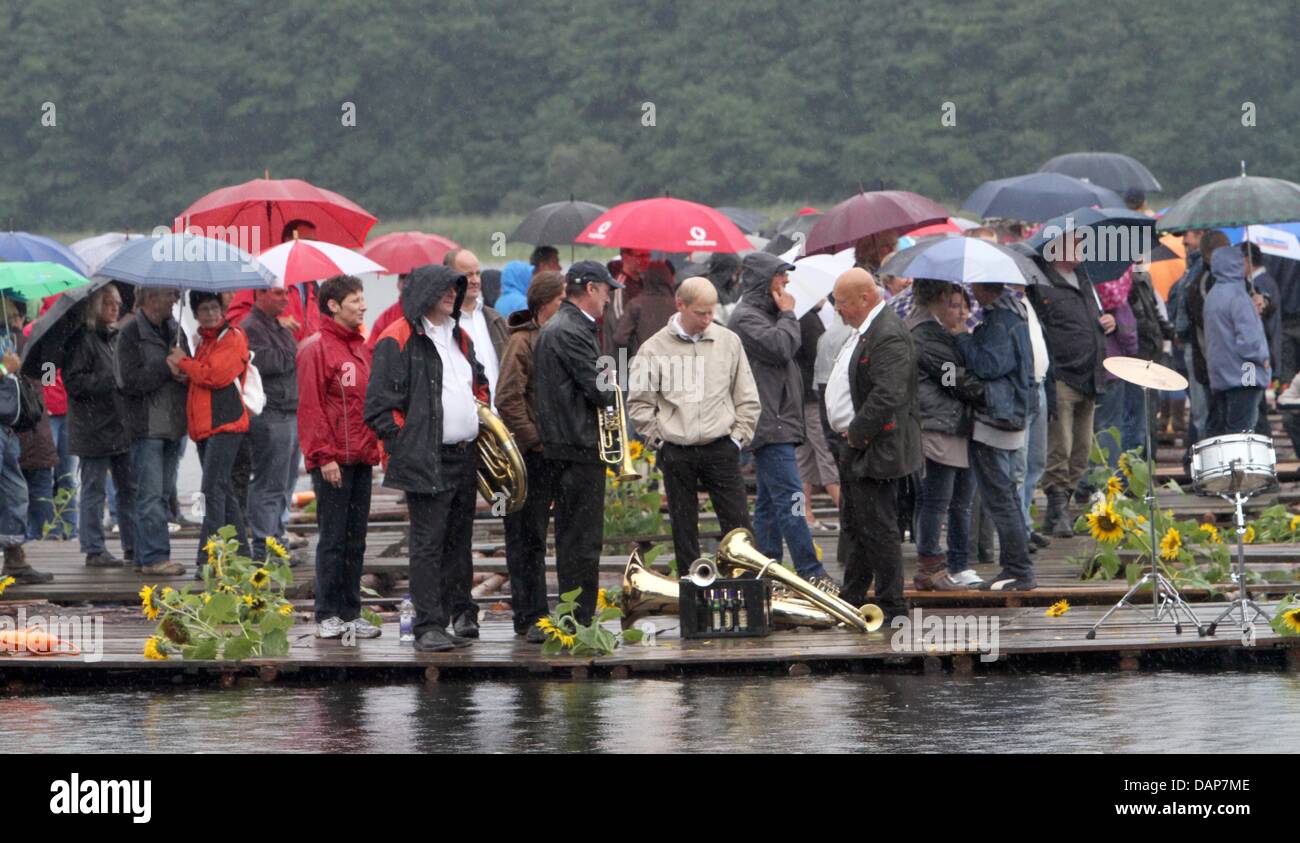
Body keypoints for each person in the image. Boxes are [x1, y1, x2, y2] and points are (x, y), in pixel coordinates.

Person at [366, 265, 487, 651]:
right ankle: (427, 625)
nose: (453, 294)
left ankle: (458, 615)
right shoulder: (396, 337)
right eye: (445, 288)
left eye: (456, 288)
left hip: (464, 454)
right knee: (427, 544)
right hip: (426, 456)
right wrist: (406, 441)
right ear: (424, 292)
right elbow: (379, 407)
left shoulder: (460, 336)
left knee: (458, 541)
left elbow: (479, 383)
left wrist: (479, 411)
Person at [627, 276, 760, 569]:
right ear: (680, 305)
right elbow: (639, 403)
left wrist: (738, 439)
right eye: (701, 312)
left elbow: (747, 396)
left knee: (739, 527)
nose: (708, 319)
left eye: (712, 311)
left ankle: (745, 585)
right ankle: (693, 592)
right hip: (677, 448)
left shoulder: (728, 341)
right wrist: (658, 441)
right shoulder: (653, 348)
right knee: (683, 529)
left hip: (721, 445)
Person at [826, 268, 920, 623]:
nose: (839, 311)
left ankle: (893, 605)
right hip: (860, 445)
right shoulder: (866, 330)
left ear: (865, 298)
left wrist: (856, 433)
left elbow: (888, 394)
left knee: (879, 527)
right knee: (857, 523)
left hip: (875, 447)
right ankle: (852, 595)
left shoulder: (887, 334)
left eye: (843, 304)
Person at [729, 252, 827, 581]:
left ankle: (766, 569)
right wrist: (788, 314)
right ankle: (811, 572)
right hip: (770, 422)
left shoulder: (766, 313)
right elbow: (780, 347)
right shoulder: (746, 317)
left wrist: (785, 314)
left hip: (779, 420)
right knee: (793, 499)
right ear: (763, 280)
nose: (786, 281)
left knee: (770, 505)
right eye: (780, 274)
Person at [533, 260, 622, 624]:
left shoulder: (568, 325)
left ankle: (574, 616)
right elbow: (602, 391)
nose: (609, 298)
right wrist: (610, 375)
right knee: (582, 543)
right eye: (606, 290)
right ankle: (578, 621)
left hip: (570, 445)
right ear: (590, 289)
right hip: (577, 447)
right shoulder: (571, 328)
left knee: (575, 540)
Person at [299, 275, 382, 640]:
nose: (363, 305)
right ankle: (326, 613)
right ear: (333, 305)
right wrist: (323, 456)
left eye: (363, 298)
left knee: (356, 538)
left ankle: (351, 612)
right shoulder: (315, 348)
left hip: (361, 456)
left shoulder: (361, 348)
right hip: (333, 460)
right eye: (355, 300)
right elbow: (311, 408)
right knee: (332, 538)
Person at [496, 271, 566, 642]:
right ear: (544, 304)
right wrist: (536, 440)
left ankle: (541, 612)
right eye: (560, 301)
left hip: (551, 453)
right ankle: (529, 616)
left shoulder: (557, 337)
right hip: (527, 458)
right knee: (525, 539)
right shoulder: (521, 342)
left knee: (538, 538)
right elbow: (507, 398)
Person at [957, 281, 1038, 591]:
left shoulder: (999, 321)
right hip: (1014, 412)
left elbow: (989, 365)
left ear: (984, 287)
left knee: (999, 497)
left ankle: (1018, 569)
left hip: (995, 417)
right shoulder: (1015, 314)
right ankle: (1016, 567)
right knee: (1007, 494)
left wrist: (963, 337)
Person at [1029, 234, 1110, 537]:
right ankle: (1056, 506)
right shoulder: (1041, 281)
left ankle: (1062, 507)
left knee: (1082, 448)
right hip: (1062, 373)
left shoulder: (1083, 277)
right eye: (1075, 244)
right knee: (1059, 445)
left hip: (1091, 375)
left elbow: (1092, 318)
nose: (1082, 250)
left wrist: (1107, 322)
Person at [908, 280, 985, 590]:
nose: (961, 312)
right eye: (954, 305)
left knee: (957, 500)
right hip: (939, 424)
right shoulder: (926, 336)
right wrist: (985, 390)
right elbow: (953, 378)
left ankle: (957, 562)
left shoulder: (933, 333)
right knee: (939, 501)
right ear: (939, 299)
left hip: (951, 423)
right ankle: (932, 563)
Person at [169, 291, 251, 575]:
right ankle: (242, 550)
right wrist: (184, 367)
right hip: (207, 428)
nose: (212, 314)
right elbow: (200, 375)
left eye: (215, 308)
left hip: (226, 425)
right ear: (195, 313)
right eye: (204, 309)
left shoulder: (233, 337)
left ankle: (212, 557)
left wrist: (183, 362)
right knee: (223, 490)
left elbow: (215, 376)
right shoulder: (204, 341)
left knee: (211, 491)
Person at [115, 287, 189, 576]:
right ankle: (154, 558)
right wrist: (165, 367)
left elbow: (186, 366)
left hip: (173, 425)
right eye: (169, 294)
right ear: (150, 297)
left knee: (162, 494)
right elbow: (127, 381)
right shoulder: (129, 333)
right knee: (149, 495)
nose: (174, 299)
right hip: (145, 427)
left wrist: (185, 369)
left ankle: (144, 555)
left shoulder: (175, 328)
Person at [64, 283, 136, 566]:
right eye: (108, 302)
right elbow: (73, 382)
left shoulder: (117, 337)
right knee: (94, 489)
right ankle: (94, 548)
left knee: (130, 488)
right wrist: (110, 381)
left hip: (120, 425)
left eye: (117, 302)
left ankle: (133, 544)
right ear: (96, 306)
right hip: (92, 427)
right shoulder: (82, 339)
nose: (115, 307)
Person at [240, 286, 300, 563]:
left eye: (287, 293)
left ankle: (276, 538)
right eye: (278, 293)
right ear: (260, 295)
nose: (285, 299)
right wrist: (295, 354)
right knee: (269, 482)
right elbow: (263, 362)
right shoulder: (250, 327)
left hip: (287, 410)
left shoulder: (277, 326)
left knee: (284, 481)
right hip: (270, 413)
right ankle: (264, 545)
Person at [1204, 247, 1271, 436]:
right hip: (1245, 374)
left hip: (1221, 374)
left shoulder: (1213, 295)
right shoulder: (1238, 297)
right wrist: (1263, 358)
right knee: (1242, 432)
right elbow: (1249, 342)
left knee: (1223, 431)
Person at [1, 346, 54, 584]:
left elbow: (50, 379)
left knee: (17, 493)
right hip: (19, 425)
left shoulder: (23, 344)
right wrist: (5, 368)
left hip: (12, 426)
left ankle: (15, 558)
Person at [224, 220, 323, 341]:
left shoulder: (311, 284)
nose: (312, 247)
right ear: (288, 241)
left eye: (315, 243)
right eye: (307, 241)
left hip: (303, 357)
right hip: (272, 353)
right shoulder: (261, 273)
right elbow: (236, 319)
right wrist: (272, 323)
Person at [795, 302, 840, 531]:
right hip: (813, 396)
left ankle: (804, 513)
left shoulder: (793, 317)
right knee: (826, 453)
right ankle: (846, 511)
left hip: (798, 396)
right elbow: (819, 355)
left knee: (805, 457)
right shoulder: (809, 319)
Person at [445, 249, 507, 400]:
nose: (475, 280)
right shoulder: (444, 324)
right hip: (468, 417)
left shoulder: (495, 319)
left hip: (501, 418)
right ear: (450, 278)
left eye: (478, 273)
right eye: (468, 275)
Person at [1243, 243, 1281, 435]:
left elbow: (1270, 323)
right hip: (1260, 354)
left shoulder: (1262, 284)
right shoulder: (1259, 282)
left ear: (1247, 260)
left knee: (1256, 410)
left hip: (1257, 356)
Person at [613, 259, 677, 359]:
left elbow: (620, 338)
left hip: (642, 362)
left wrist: (634, 349)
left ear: (646, 279)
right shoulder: (678, 306)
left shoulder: (636, 305)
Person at [366, 273, 409, 350]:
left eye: (413, 282)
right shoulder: (387, 316)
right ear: (399, 284)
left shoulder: (429, 314)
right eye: (405, 282)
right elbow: (371, 348)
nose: (409, 286)